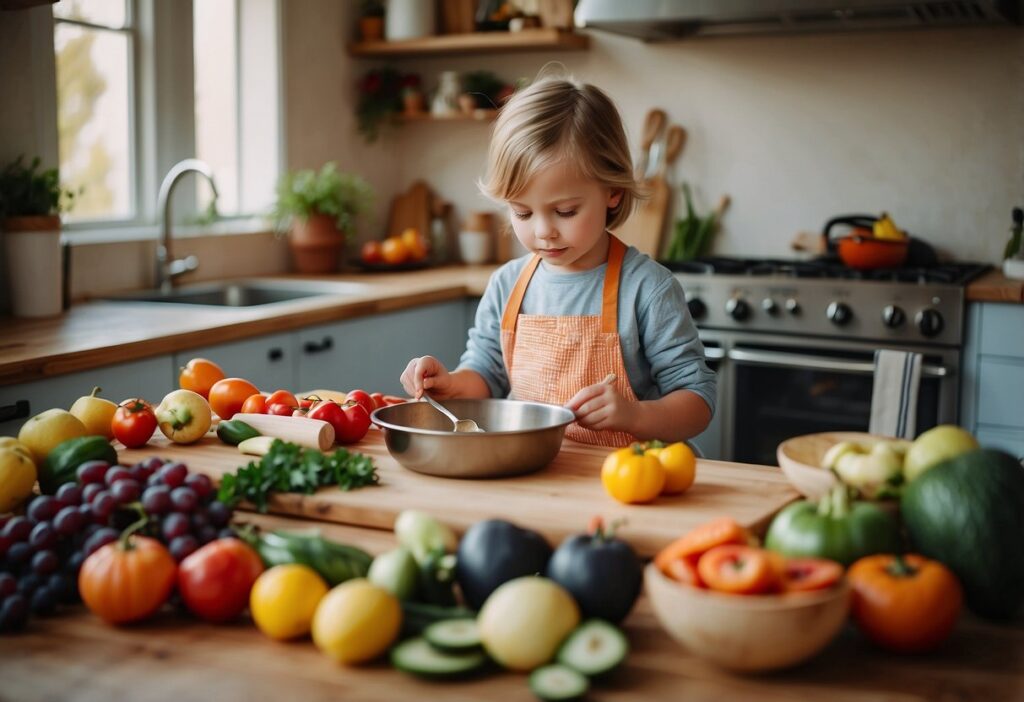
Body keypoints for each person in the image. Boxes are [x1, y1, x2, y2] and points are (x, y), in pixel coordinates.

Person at [400, 75, 716, 447]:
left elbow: (698, 401)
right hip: (534, 472)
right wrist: (451, 383)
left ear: (613, 191)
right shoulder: (507, 285)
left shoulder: (647, 288)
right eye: (522, 212)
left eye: (565, 211)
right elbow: (485, 374)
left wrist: (635, 415)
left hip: (629, 475)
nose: (543, 231)